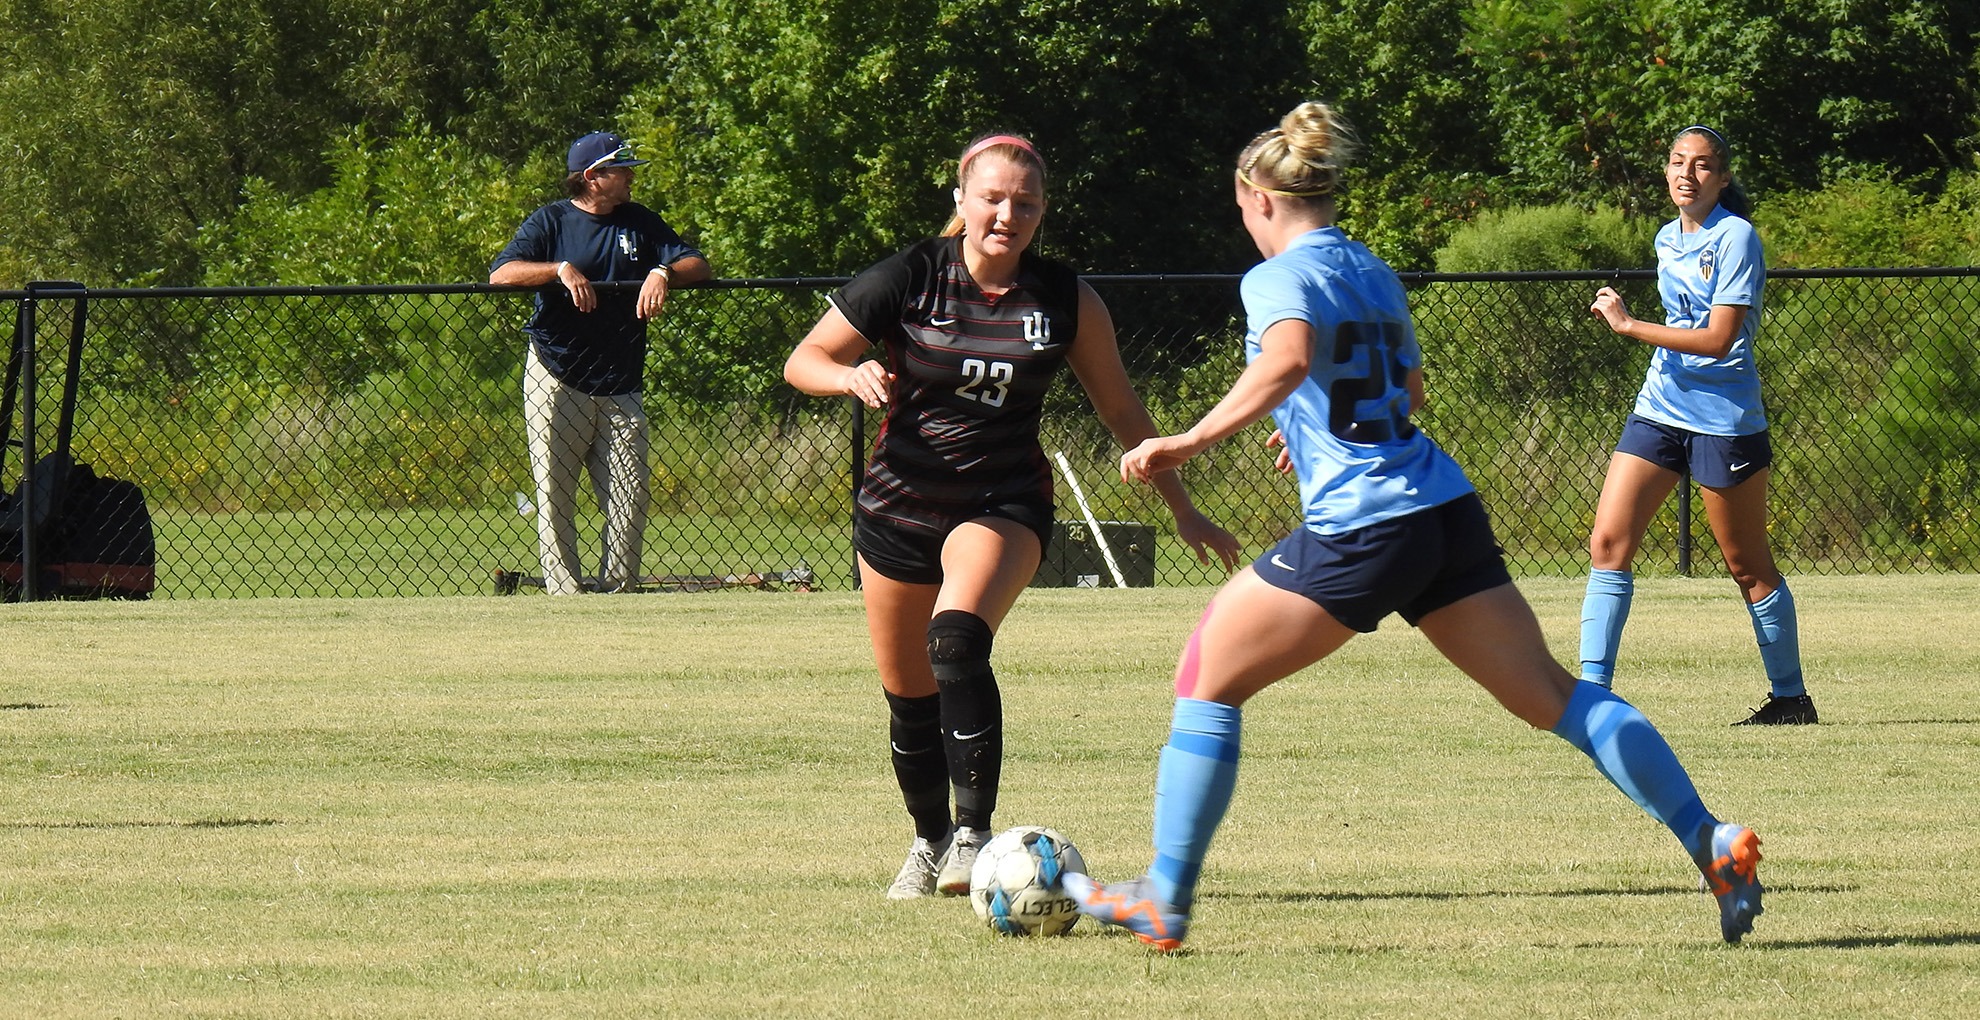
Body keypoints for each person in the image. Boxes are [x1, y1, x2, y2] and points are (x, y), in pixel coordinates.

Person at [1064, 103, 1765, 951]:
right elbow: (1408, 396)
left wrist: (1186, 441)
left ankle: (1162, 898)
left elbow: (1286, 360)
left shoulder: (1275, 276)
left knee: (1206, 677)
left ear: (1257, 198)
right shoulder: (1372, 269)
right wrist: (1314, 432)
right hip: (1441, 508)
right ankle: (1710, 839)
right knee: (1556, 695)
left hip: (1366, 525)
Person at [783, 131, 1242, 900]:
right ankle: (930, 842)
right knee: (908, 695)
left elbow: (1123, 410)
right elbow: (805, 358)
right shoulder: (911, 276)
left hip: (1002, 504)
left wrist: (1185, 511)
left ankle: (974, 835)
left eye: (1024, 203)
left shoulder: (1063, 297)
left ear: (1041, 213)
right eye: (992, 198)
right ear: (961, 200)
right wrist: (847, 374)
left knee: (955, 639)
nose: (1007, 214)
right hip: (897, 507)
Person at [1583, 126, 1817, 725]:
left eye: (1704, 165)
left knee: (1747, 565)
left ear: (1723, 178)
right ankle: (1592, 697)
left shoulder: (1736, 237)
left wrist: (1629, 326)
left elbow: (1717, 340)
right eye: (1678, 162)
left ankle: (1790, 700)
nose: (1687, 174)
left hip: (1723, 421)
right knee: (1608, 543)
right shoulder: (1667, 237)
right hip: (1660, 407)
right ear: (1666, 171)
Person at [490, 131, 711, 595]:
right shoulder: (551, 221)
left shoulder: (640, 222)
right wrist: (558, 269)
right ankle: (565, 593)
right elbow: (501, 274)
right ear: (592, 177)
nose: (631, 177)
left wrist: (662, 270)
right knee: (555, 494)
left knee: (631, 492)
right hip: (557, 373)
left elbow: (698, 263)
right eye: (621, 169)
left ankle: (620, 588)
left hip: (621, 379)